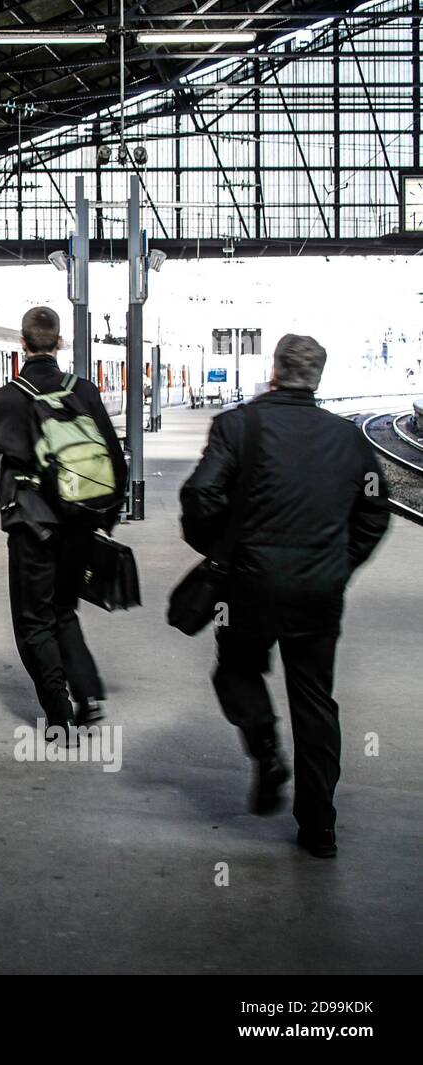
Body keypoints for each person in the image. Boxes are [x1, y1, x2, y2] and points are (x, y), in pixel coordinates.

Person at [180, 334, 390, 858]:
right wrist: (340, 564)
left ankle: (267, 748)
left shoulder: (239, 424)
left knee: (235, 669)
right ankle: (319, 827)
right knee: (316, 702)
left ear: (274, 370)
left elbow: (200, 493)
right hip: (319, 593)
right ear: (317, 378)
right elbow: (374, 509)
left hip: (247, 587)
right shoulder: (349, 439)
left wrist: (220, 548)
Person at [0, 307, 127, 734]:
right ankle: (90, 694)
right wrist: (107, 520)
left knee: (33, 621)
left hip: (33, 527)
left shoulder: (6, 399)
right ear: (59, 343)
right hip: (80, 525)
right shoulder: (84, 392)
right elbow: (114, 459)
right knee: (64, 611)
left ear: (22, 344)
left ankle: (60, 715)